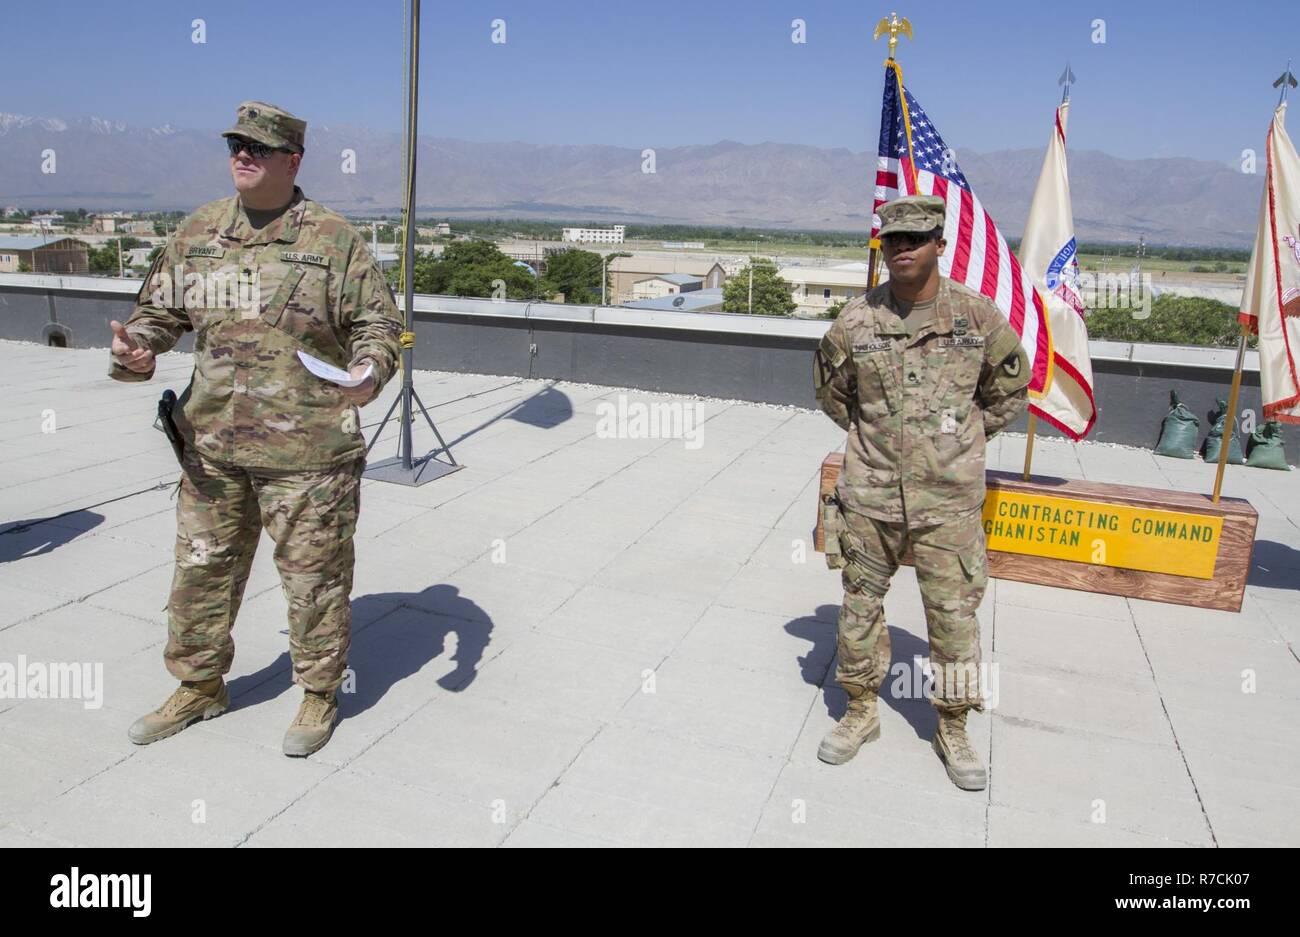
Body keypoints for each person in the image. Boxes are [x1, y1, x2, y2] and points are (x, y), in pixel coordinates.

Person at [109, 101, 402, 757]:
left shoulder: (333, 239)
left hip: (309, 454)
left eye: (259, 148)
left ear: (292, 161)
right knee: (199, 574)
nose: (243, 155)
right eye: (236, 145)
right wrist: (137, 349)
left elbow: (379, 326)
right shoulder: (198, 230)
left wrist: (368, 370)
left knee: (314, 582)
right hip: (212, 447)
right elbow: (159, 313)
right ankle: (198, 685)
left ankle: (319, 693)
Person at [813, 195, 1029, 790]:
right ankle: (860, 711)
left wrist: (959, 438)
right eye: (893, 240)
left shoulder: (976, 317)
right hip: (871, 495)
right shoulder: (856, 321)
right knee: (859, 607)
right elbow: (832, 394)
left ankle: (953, 724)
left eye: (915, 239)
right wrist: (884, 439)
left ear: (939, 243)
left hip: (948, 502)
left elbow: (1010, 390)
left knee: (953, 618)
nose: (903, 248)